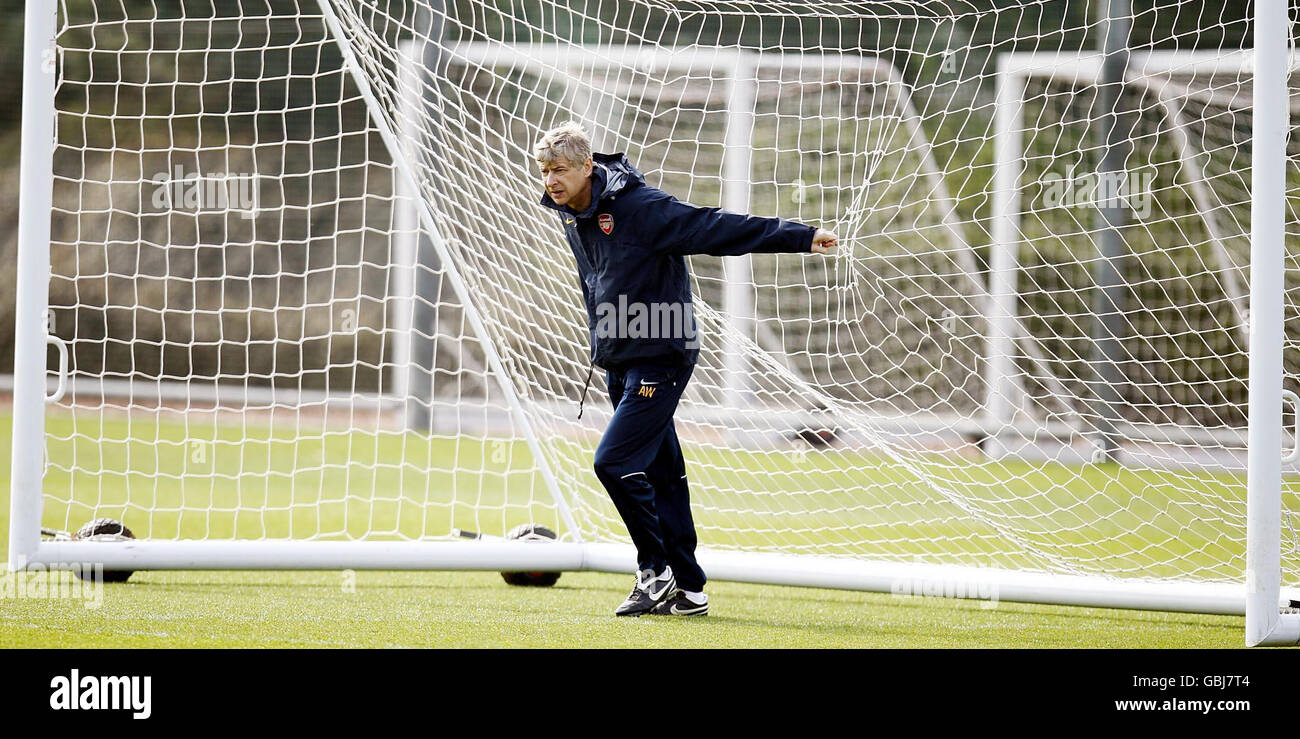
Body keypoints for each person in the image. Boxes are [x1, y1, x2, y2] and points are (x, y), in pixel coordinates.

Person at [534, 121, 838, 616]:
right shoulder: (572, 212)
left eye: (560, 169)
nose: (550, 179)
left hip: (662, 353)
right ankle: (690, 588)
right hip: (619, 356)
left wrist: (802, 237)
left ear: (588, 166)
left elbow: (717, 227)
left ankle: (653, 570)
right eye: (545, 170)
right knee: (663, 474)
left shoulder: (642, 208)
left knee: (612, 462)